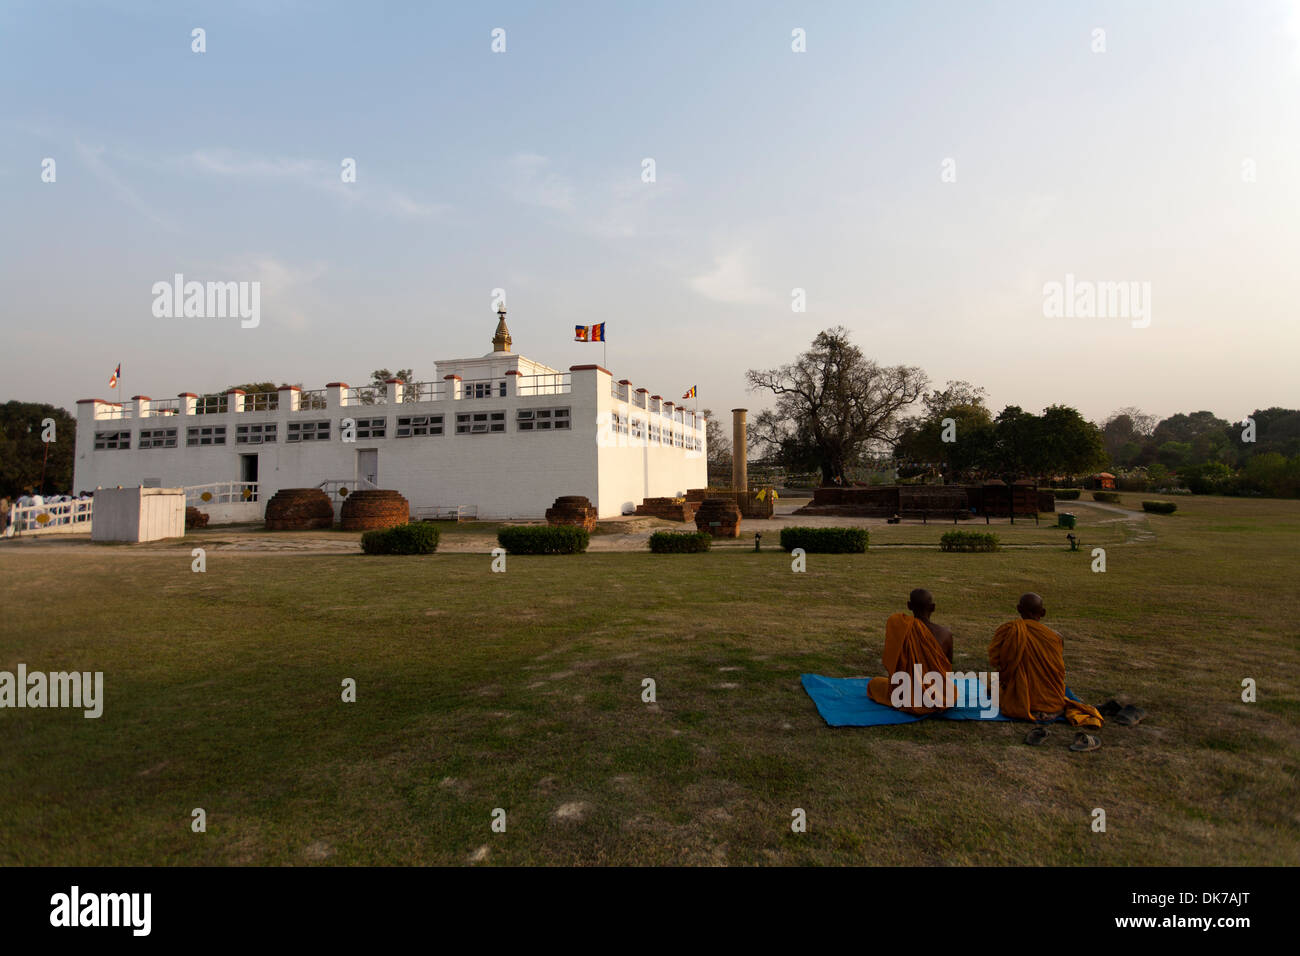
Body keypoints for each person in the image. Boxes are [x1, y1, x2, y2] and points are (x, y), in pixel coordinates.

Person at [988, 593, 1104, 750]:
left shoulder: (1009, 631)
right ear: (1042, 613)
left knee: (990, 683)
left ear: (1018, 609)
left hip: (1019, 698)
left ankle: (1026, 702)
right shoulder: (1055, 637)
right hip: (1052, 702)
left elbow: (997, 662)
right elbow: (1057, 670)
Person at [866, 589, 955, 715]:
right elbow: (948, 667)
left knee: (874, 684)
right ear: (933, 607)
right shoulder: (946, 634)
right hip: (938, 696)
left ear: (909, 606)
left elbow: (892, 663)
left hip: (906, 695)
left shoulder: (899, 625)